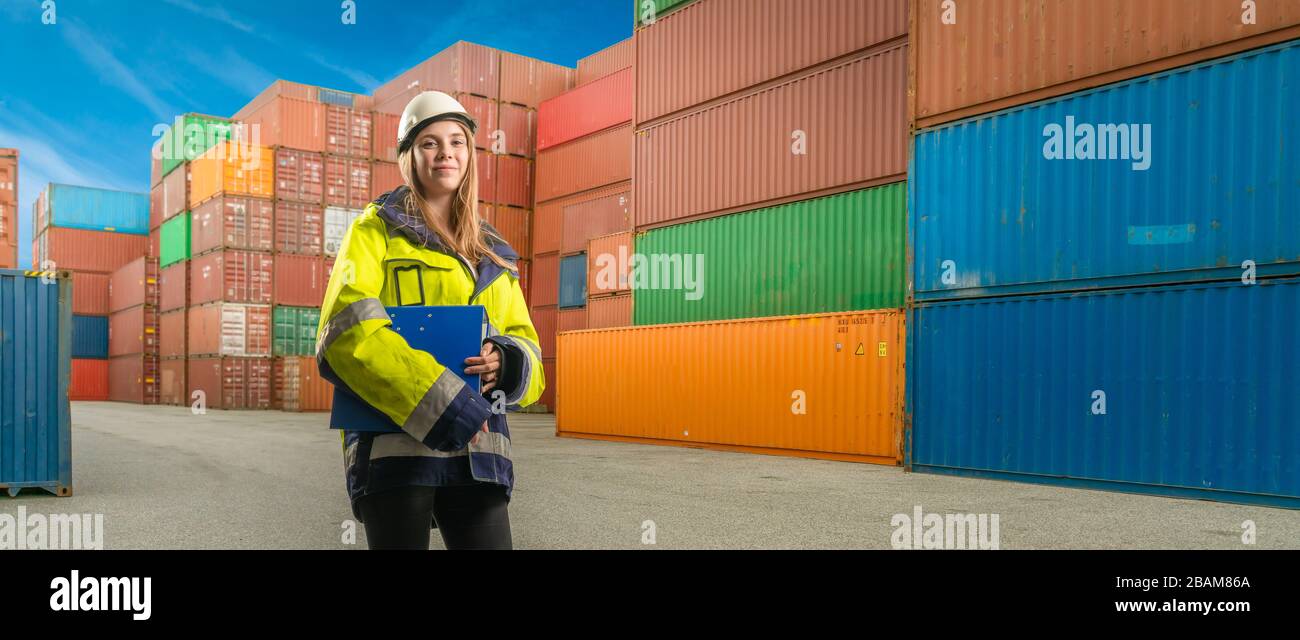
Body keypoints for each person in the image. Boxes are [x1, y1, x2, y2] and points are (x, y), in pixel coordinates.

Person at [316, 91, 545, 550]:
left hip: (478, 451)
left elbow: (530, 349)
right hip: (394, 450)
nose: (446, 153)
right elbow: (344, 334)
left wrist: (507, 361)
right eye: (429, 142)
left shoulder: (494, 255)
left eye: (457, 141)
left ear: (470, 154)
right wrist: (444, 402)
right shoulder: (375, 230)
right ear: (408, 157)